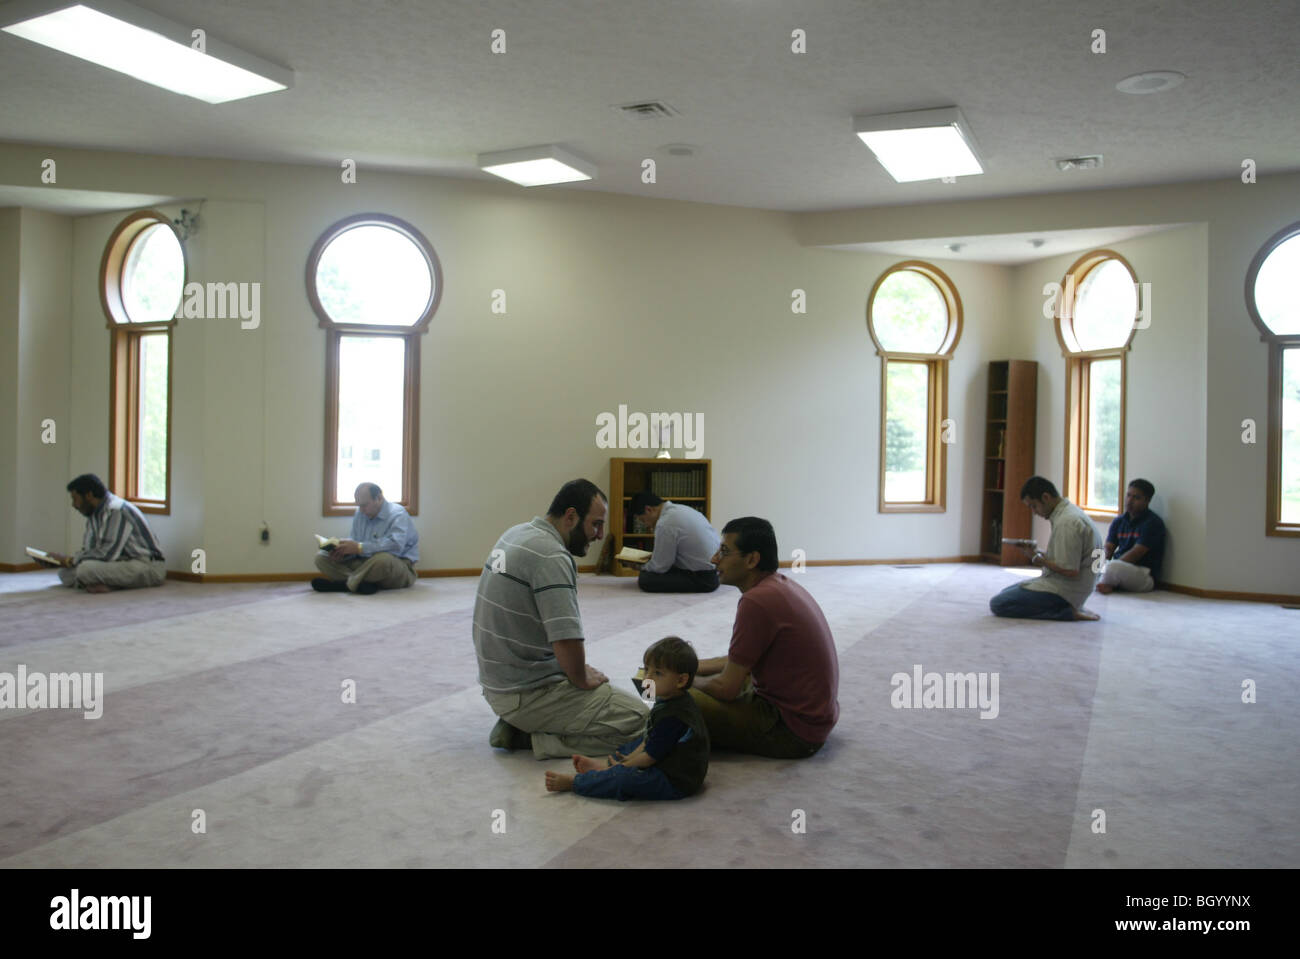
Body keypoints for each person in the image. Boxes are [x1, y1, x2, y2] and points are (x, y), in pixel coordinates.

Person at [473, 479, 646, 759]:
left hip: (497, 685)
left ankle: (519, 722)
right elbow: (565, 637)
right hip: (525, 693)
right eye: (596, 524)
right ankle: (533, 738)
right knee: (642, 723)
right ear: (570, 517)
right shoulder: (550, 556)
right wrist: (580, 677)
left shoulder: (516, 532)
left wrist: (573, 669)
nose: (600, 535)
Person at [688, 517, 839, 758]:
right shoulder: (778, 585)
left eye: (724, 551)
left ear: (752, 559)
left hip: (793, 731)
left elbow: (727, 688)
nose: (714, 559)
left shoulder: (755, 602)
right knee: (662, 678)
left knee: (669, 695)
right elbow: (739, 662)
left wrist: (684, 681)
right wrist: (687, 667)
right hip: (813, 720)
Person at [545, 636, 709, 800]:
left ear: (681, 680)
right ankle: (608, 765)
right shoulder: (670, 697)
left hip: (674, 781)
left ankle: (577, 782)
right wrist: (631, 757)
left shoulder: (674, 717)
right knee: (635, 742)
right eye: (646, 670)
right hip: (665, 758)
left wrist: (623, 767)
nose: (647, 677)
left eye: (657, 673)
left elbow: (648, 758)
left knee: (624, 779)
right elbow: (649, 737)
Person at [990, 476, 1101, 621]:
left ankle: (1067, 612)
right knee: (1007, 592)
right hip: (1081, 585)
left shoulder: (1066, 523)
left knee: (999, 604)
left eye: (1033, 506)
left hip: (1069, 589)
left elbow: (1070, 570)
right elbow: (1070, 558)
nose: (1034, 512)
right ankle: (1073, 606)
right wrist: (1036, 552)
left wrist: (1037, 559)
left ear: (1046, 497)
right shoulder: (1069, 513)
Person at [42, 474, 166, 592]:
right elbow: (90, 550)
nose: (74, 505)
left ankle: (110, 585)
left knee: (85, 570)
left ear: (89, 495)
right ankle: (107, 583)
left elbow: (108, 554)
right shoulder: (93, 514)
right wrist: (62, 562)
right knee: (65, 573)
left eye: (75, 499)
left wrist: (70, 560)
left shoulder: (116, 510)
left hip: (146, 565)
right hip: (119, 562)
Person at [311, 483, 418, 594]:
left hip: (396, 567)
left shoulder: (398, 514)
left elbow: (396, 546)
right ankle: (360, 583)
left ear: (379, 498)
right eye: (359, 505)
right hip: (364, 564)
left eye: (364, 505)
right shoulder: (360, 513)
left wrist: (360, 547)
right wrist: (344, 551)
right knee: (321, 557)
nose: (361, 510)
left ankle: (344, 584)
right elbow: (355, 544)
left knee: (384, 560)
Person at [628, 491, 721, 593]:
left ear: (649, 509)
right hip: (715, 572)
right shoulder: (680, 509)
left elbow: (660, 567)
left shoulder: (665, 524)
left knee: (645, 579)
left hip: (703, 579)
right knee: (649, 571)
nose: (645, 525)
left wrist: (640, 567)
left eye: (643, 520)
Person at [1097, 479, 1166, 594]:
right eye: (1128, 495)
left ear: (1147, 500)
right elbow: (1108, 548)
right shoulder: (1119, 521)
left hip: (1144, 574)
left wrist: (1108, 568)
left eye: (1136, 498)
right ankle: (1105, 582)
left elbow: (1136, 553)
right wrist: (1100, 564)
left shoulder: (1153, 523)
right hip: (1117, 567)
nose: (1129, 501)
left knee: (1113, 567)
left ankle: (1104, 582)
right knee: (1093, 558)